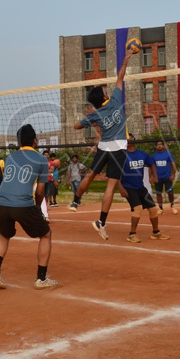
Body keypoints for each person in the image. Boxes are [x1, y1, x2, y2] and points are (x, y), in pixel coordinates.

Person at [68, 49, 136, 240]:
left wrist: (83, 121)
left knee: (90, 175)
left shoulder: (95, 113)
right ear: (104, 96)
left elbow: (77, 127)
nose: (105, 89)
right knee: (110, 186)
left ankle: (75, 201)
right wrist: (126, 58)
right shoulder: (115, 100)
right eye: (103, 89)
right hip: (118, 148)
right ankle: (101, 222)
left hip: (104, 147)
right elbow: (121, 76)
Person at [0, 124, 58, 290]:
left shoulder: (11, 156)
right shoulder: (41, 159)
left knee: (4, 235)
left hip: (1, 202)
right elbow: (40, 190)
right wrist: (36, 206)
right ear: (35, 140)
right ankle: (41, 279)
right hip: (22, 203)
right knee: (46, 234)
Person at [118, 135, 170, 243]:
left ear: (135, 141)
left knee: (153, 209)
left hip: (140, 187)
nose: (129, 140)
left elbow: (152, 164)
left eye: (131, 138)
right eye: (127, 139)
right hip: (128, 187)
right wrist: (120, 187)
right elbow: (115, 173)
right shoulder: (121, 155)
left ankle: (156, 233)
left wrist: (154, 176)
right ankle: (132, 235)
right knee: (138, 208)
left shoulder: (142, 153)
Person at [152, 140, 178, 215]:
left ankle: (172, 205)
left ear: (163, 146)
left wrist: (173, 174)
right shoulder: (154, 156)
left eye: (161, 144)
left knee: (170, 192)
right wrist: (152, 177)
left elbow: (173, 164)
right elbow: (151, 167)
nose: (159, 146)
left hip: (167, 177)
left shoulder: (168, 154)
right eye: (158, 144)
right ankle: (160, 208)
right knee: (158, 193)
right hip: (158, 178)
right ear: (155, 146)